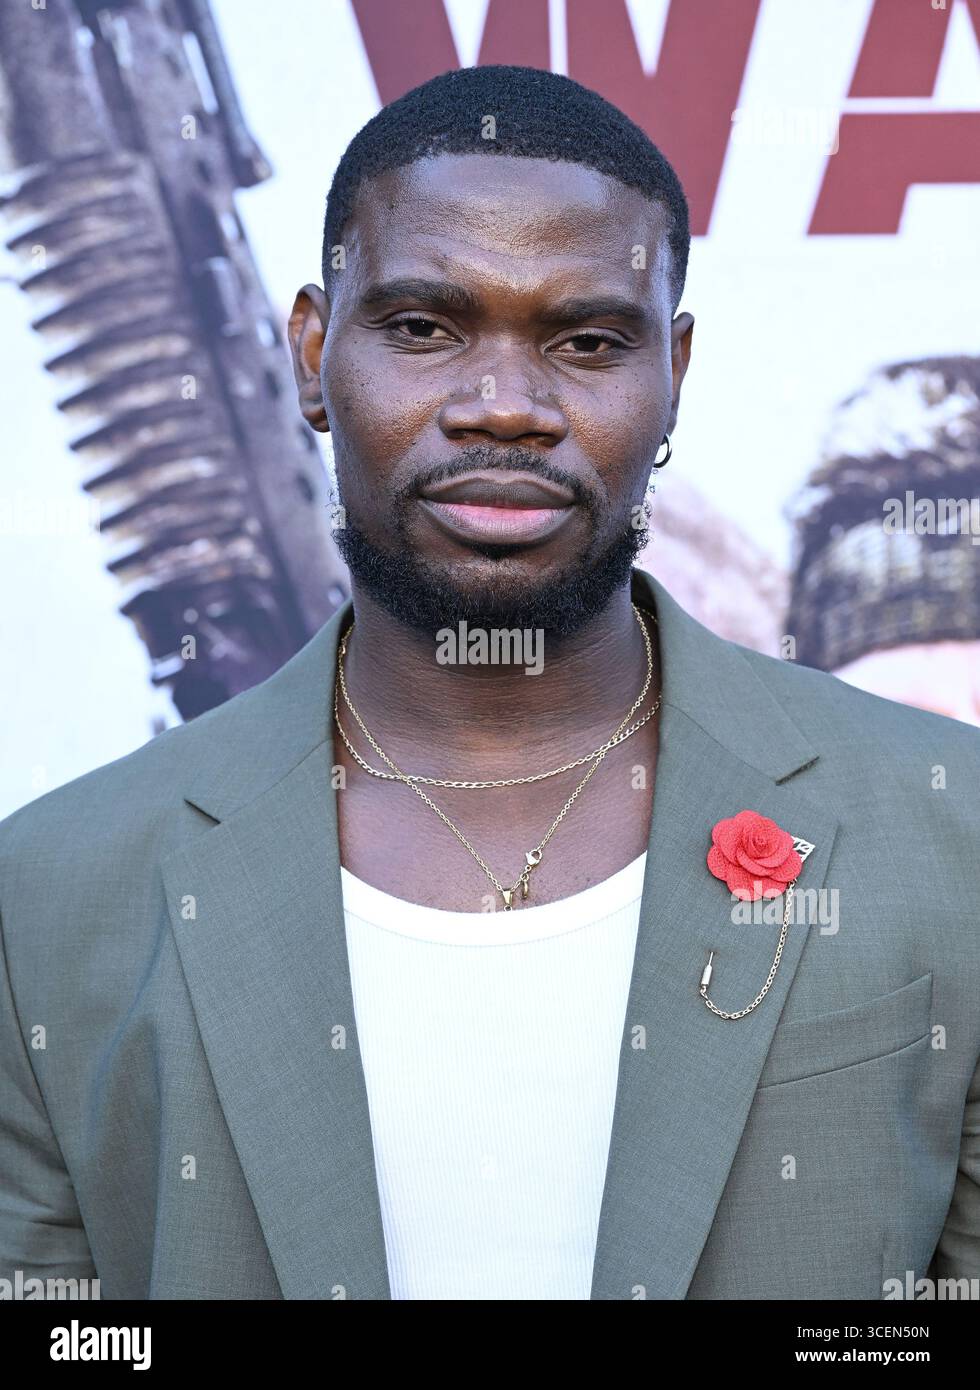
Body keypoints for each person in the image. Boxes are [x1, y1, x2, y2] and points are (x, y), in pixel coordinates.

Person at [1, 65, 977, 1302]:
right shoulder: (51, 894)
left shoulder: (947, 831)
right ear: (311, 353)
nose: (503, 408)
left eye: (584, 340)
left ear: (671, 371)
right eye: (422, 328)